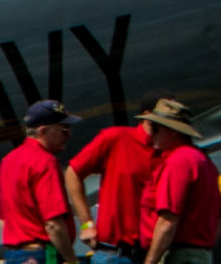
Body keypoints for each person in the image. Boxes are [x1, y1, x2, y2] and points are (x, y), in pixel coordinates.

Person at [67, 92, 167, 264]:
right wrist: (87, 224)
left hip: (149, 254)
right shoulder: (116, 138)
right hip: (113, 252)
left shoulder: (168, 152)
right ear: (147, 115)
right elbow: (73, 173)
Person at [140, 98, 221, 264]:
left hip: (181, 256)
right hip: (199, 255)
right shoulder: (202, 161)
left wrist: (150, 261)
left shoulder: (178, 162)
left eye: (156, 128)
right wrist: (202, 251)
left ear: (173, 131)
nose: (151, 134)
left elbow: (168, 221)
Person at [0, 100, 80, 264]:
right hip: (43, 255)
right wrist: (71, 260)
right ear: (43, 131)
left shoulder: (8, 160)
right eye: (64, 130)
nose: (69, 135)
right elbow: (53, 224)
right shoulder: (45, 162)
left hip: (14, 255)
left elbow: (3, 219)